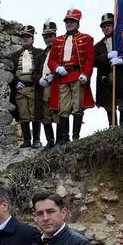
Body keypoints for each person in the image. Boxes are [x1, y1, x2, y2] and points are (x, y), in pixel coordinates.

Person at [45, 9, 95, 144]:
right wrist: (56, 68)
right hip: (62, 77)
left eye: (72, 21)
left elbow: (90, 60)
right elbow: (51, 60)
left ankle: (76, 137)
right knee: (63, 108)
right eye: (67, 21)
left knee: (78, 106)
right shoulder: (58, 40)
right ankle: (64, 138)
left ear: (78, 23)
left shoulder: (86, 38)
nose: (69, 23)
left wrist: (86, 74)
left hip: (78, 76)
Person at [11, 25, 51, 147]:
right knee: (23, 114)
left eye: (28, 37)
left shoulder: (39, 52)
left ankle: (37, 140)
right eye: (23, 37)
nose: (25, 39)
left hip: (34, 88)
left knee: (35, 114)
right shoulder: (14, 55)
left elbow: (41, 69)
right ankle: (27, 140)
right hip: (20, 89)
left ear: (33, 39)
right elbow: (10, 72)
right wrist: (15, 82)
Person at [93, 14, 123, 127]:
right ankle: (112, 127)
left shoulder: (122, 40)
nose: (106, 28)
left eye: (109, 25)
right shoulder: (98, 46)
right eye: (104, 26)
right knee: (109, 104)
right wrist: (107, 56)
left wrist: (120, 60)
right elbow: (94, 61)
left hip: (121, 76)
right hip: (105, 77)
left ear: (114, 26)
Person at [35, 21, 59, 147]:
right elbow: (34, 72)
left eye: (50, 36)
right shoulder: (41, 55)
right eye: (46, 37)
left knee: (59, 114)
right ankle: (50, 141)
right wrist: (40, 79)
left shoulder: (61, 52)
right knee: (45, 116)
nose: (48, 39)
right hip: (43, 88)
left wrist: (54, 76)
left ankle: (62, 139)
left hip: (57, 86)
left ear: (55, 35)